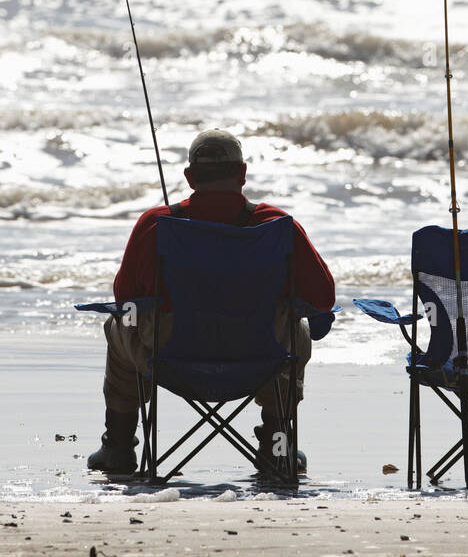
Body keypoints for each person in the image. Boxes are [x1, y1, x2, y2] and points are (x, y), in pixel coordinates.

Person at [88, 128, 335, 476]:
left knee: (118, 324)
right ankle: (276, 448)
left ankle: (118, 445)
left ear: (189, 178)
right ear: (243, 174)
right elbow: (323, 298)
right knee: (297, 329)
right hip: (259, 356)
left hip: (172, 356)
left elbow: (124, 298)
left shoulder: (156, 223)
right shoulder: (277, 225)